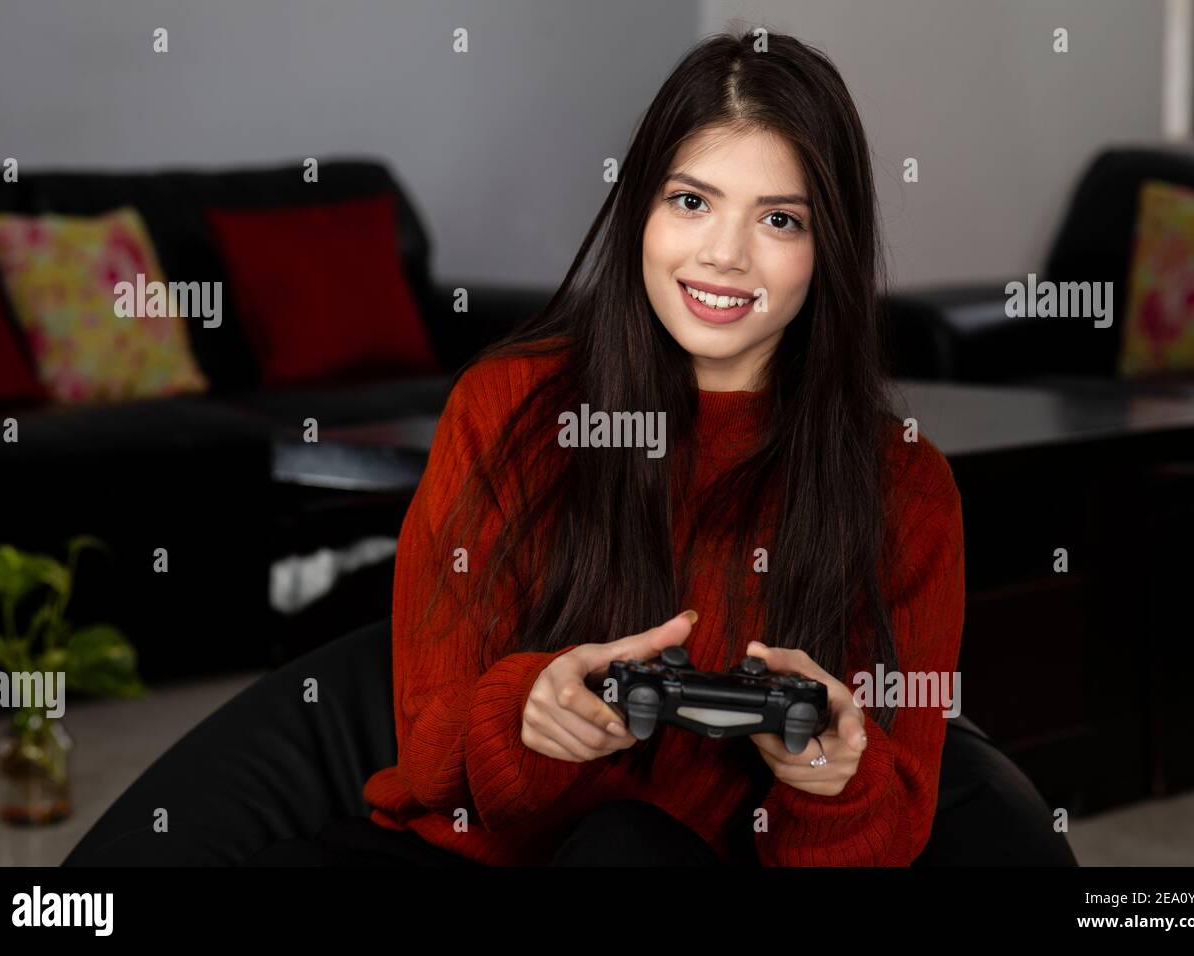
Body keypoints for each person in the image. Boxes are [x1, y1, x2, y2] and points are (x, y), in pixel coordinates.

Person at [331, 27, 962, 867]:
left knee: (626, 848)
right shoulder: (507, 408)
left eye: (779, 219)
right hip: (474, 859)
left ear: (829, 249)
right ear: (642, 209)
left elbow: (893, 834)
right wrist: (527, 710)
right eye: (691, 201)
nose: (723, 256)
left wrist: (834, 778)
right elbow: (430, 743)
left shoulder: (906, 486)